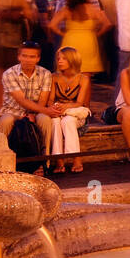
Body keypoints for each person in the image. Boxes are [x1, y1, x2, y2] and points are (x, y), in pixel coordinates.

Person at [0, 40, 53, 169]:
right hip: (11, 110)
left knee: (45, 119)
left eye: (32, 56)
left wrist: (34, 113)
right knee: (6, 120)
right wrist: (44, 110)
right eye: (25, 56)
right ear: (19, 57)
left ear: (38, 58)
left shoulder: (45, 74)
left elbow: (43, 99)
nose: (28, 59)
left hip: (36, 111)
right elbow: (21, 100)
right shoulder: (9, 74)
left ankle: (43, 162)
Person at [47, 46, 91, 174]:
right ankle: (59, 159)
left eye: (64, 59)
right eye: (58, 58)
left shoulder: (83, 78)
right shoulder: (54, 76)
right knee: (55, 121)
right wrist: (55, 107)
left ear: (73, 60)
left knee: (68, 121)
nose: (59, 61)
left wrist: (65, 107)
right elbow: (50, 100)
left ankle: (76, 158)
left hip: (76, 115)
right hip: (58, 112)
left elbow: (80, 103)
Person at [49, 0, 109, 76]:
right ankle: (85, 89)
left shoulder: (66, 10)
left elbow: (52, 25)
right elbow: (107, 24)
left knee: (70, 71)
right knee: (86, 73)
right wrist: (97, 33)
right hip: (88, 40)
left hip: (70, 40)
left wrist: (62, 33)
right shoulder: (93, 9)